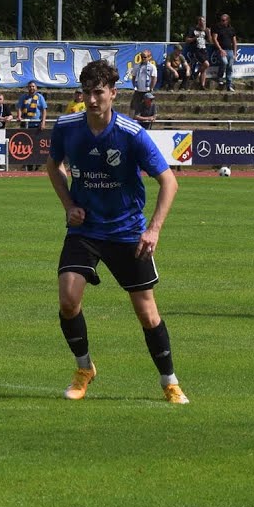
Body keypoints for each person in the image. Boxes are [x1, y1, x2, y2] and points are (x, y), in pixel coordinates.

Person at [46, 60, 188, 404]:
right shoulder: (66, 127)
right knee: (68, 300)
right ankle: (84, 369)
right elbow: (53, 166)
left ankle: (169, 382)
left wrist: (153, 230)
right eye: (86, 93)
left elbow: (169, 181)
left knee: (147, 313)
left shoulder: (131, 134)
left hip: (127, 231)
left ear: (113, 93)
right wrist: (68, 205)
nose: (92, 100)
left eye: (99, 93)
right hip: (86, 230)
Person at [212, 13, 239, 92]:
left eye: (223, 20)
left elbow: (234, 41)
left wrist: (235, 53)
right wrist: (220, 49)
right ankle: (220, 77)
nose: (221, 22)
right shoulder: (217, 28)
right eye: (221, 20)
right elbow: (214, 39)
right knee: (224, 62)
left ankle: (229, 84)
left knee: (230, 67)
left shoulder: (231, 29)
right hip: (221, 50)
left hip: (230, 50)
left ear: (227, 21)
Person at [186, 17, 212, 89]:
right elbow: (187, 40)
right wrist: (194, 38)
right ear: (198, 22)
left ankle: (202, 85)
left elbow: (210, 41)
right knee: (206, 64)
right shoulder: (192, 29)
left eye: (204, 21)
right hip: (196, 50)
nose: (203, 23)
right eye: (201, 21)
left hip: (204, 49)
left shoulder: (205, 30)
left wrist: (209, 33)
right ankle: (195, 74)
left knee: (205, 68)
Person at [129, 50, 157, 114]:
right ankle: (131, 119)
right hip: (138, 90)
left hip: (147, 90)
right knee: (133, 106)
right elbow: (133, 76)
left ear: (149, 57)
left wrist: (151, 88)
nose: (143, 58)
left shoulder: (152, 67)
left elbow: (154, 78)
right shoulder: (137, 66)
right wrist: (134, 86)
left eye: (145, 57)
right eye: (142, 57)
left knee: (146, 107)